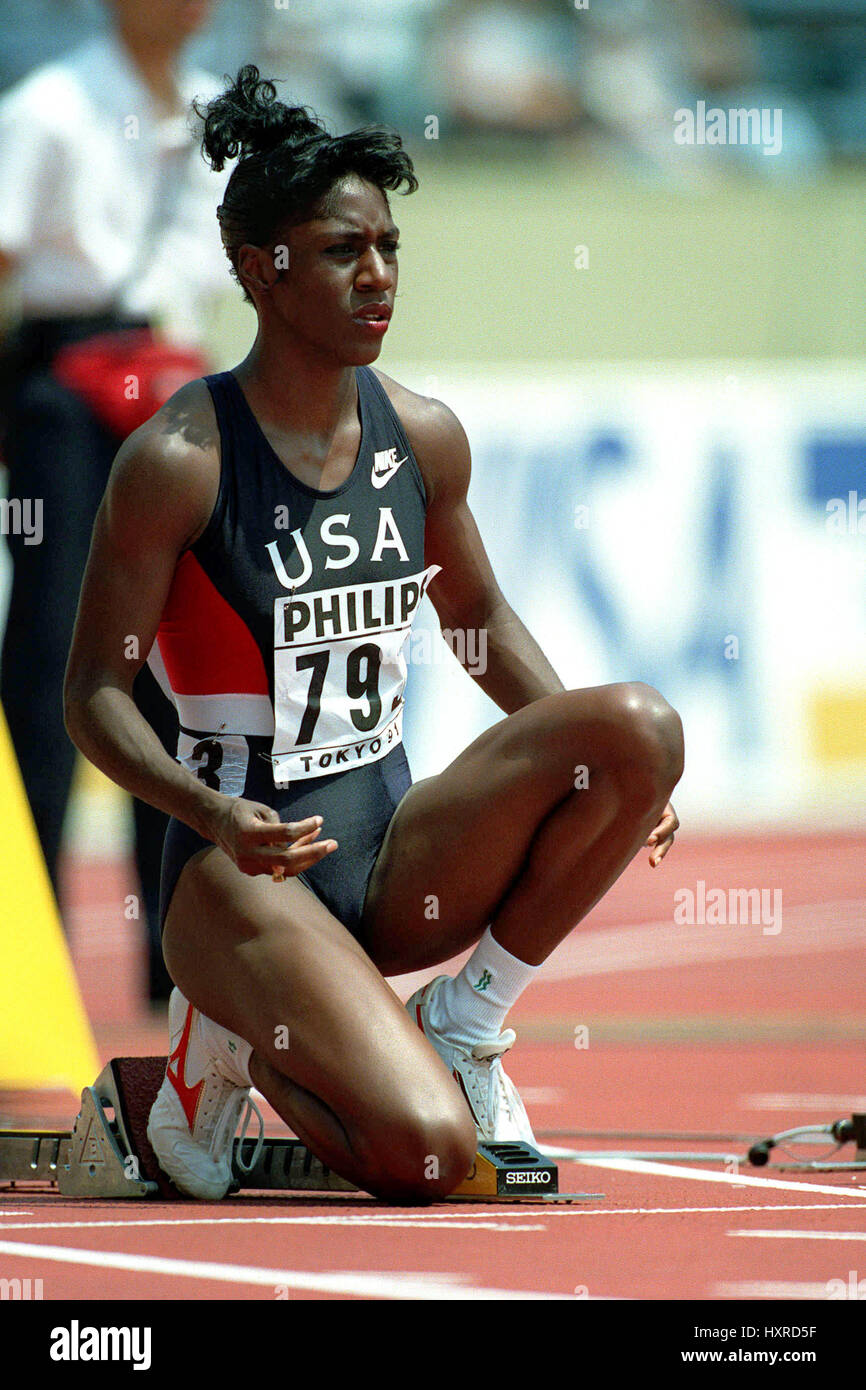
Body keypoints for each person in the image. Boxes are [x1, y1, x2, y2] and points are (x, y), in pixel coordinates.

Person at [63, 65, 684, 1203]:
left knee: (636, 729)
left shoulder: (424, 437)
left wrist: (600, 766)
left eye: (389, 247)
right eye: (344, 250)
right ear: (261, 270)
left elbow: (479, 619)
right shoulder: (179, 461)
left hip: (390, 852)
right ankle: (220, 1054)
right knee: (432, 1162)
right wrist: (210, 815)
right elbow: (92, 701)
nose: (378, 275)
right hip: (240, 880)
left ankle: (462, 1020)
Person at [0, 0, 227, 1002]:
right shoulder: (48, 107)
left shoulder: (218, 112)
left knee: (167, 662)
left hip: (171, 385)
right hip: (59, 388)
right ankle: (28, 954)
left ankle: (171, 955)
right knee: (51, 654)